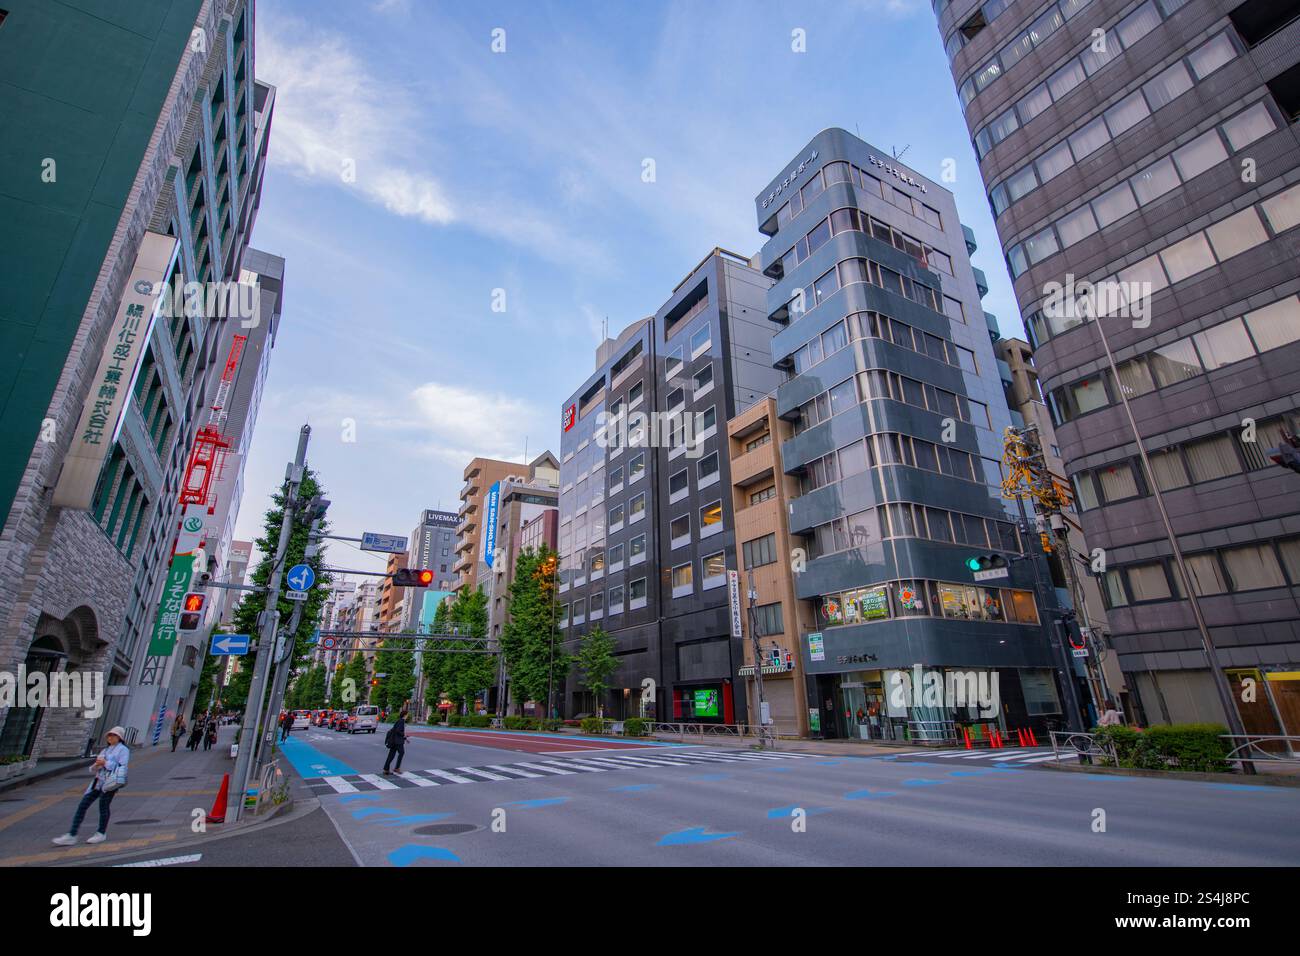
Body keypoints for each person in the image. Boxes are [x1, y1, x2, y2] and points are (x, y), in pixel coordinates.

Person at [53, 726, 130, 846]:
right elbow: (95, 766)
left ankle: (101, 833)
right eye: (109, 735)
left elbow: (122, 766)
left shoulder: (123, 750)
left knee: (103, 807)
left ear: (119, 737)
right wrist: (96, 766)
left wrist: (105, 763)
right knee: (83, 805)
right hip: (97, 782)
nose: (110, 737)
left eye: (113, 735)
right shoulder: (105, 750)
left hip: (110, 783)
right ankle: (72, 834)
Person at [382, 710, 408, 775]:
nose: (407, 716)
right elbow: (398, 731)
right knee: (401, 753)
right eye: (407, 715)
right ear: (405, 715)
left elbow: (395, 730)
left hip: (394, 741)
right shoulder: (401, 721)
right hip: (398, 742)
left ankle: (386, 769)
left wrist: (405, 738)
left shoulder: (399, 721)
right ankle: (397, 768)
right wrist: (404, 735)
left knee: (391, 755)